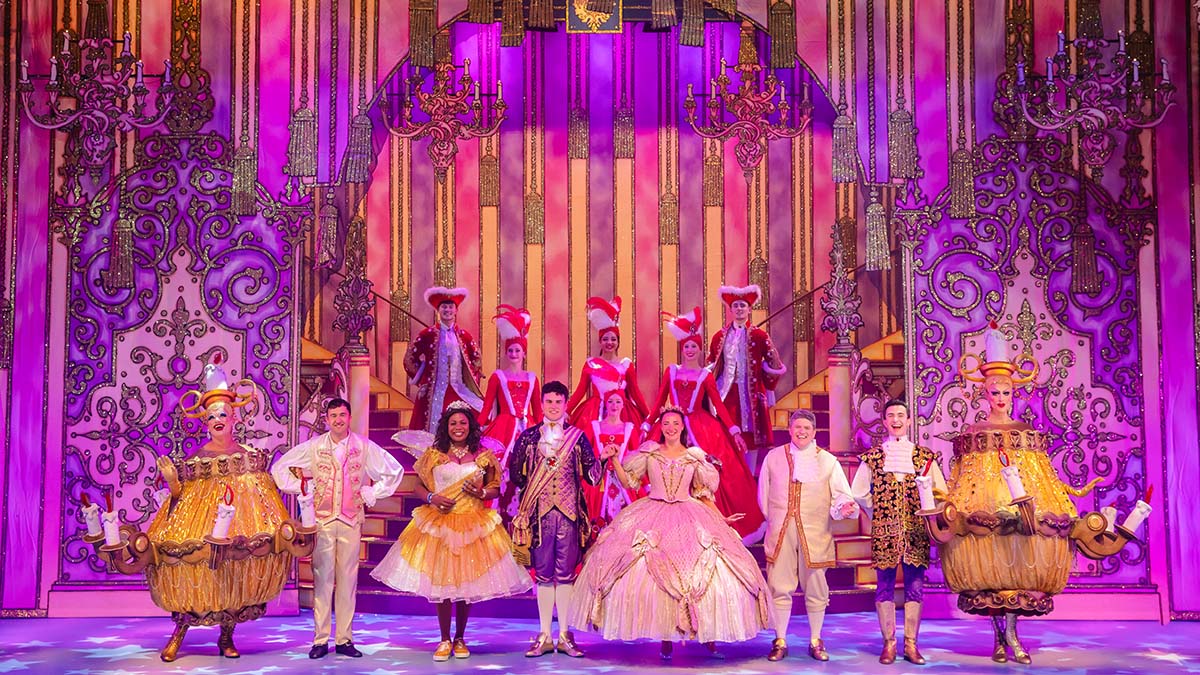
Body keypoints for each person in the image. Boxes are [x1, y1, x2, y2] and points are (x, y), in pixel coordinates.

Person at [939, 322, 1105, 665]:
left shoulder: (1024, 432)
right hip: (983, 501)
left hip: (1020, 505)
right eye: (994, 393)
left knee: (1016, 566)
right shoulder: (975, 433)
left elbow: (1037, 473)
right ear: (985, 395)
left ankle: (1012, 636)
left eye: (1006, 393)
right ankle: (999, 639)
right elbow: (964, 476)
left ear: (1013, 394)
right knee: (990, 567)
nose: (1000, 399)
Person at [566, 406, 771, 661]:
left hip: (690, 516)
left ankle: (708, 635)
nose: (671, 428)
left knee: (697, 575)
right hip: (652, 513)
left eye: (675, 423)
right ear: (661, 427)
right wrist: (615, 460)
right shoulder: (650, 453)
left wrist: (721, 519)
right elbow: (629, 482)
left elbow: (704, 495)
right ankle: (666, 639)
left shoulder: (694, 457)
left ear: (682, 427)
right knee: (659, 578)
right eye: (666, 423)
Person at [148, 354, 302, 662]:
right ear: (205, 423)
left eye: (223, 414)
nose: (217, 420)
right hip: (198, 525)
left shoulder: (248, 456)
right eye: (211, 416)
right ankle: (179, 632)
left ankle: (226, 636)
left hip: (240, 523)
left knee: (233, 574)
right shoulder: (196, 460)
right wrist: (172, 481)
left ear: (234, 418)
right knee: (193, 571)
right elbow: (178, 502)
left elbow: (263, 494)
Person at [371, 403, 533, 661]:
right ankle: (444, 638)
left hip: (472, 525)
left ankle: (460, 638)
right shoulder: (434, 454)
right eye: (453, 423)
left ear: (470, 426)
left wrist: (481, 492)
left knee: (467, 583)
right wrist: (432, 497)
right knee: (442, 584)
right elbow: (418, 486)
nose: (458, 427)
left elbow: (495, 488)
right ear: (446, 427)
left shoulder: (483, 456)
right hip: (441, 524)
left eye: (463, 423)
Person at [271, 398, 404, 659]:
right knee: (322, 579)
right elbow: (280, 467)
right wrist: (303, 487)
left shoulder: (363, 446)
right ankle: (320, 640)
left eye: (342, 415)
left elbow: (394, 471)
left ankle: (344, 639)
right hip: (322, 521)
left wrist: (372, 491)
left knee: (347, 581)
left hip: (350, 520)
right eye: (333, 416)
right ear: (327, 420)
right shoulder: (314, 446)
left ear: (349, 417)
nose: (338, 420)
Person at [645, 307, 765, 541]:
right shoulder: (671, 371)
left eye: (694, 346)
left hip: (702, 427)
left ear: (700, 350)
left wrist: (733, 431)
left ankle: (711, 525)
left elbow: (718, 405)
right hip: (671, 426)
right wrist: (647, 424)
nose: (690, 350)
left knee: (711, 473)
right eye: (687, 346)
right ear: (682, 349)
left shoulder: (705, 376)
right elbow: (659, 400)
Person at [507, 381, 605, 658]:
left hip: (569, 516)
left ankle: (564, 635)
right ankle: (543, 635)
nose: (553, 406)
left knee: (565, 576)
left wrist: (605, 459)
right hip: (539, 518)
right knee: (543, 576)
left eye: (558, 402)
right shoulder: (528, 437)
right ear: (541, 404)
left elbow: (592, 477)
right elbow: (516, 474)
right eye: (548, 401)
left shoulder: (577, 437)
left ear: (565, 404)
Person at [757, 409, 859, 662]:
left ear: (814, 432)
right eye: (797, 427)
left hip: (815, 532)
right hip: (781, 531)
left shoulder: (827, 461)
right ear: (790, 430)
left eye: (806, 428)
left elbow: (841, 494)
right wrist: (776, 519)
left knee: (816, 586)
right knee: (779, 586)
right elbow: (763, 495)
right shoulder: (774, 457)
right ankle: (780, 639)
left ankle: (815, 639)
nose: (801, 432)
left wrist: (844, 508)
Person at [851, 399, 947, 665]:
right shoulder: (873, 457)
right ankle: (889, 643)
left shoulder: (924, 457)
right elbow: (859, 492)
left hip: (916, 531)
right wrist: (878, 511)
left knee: (915, 586)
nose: (896, 419)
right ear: (884, 421)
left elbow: (941, 492)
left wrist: (931, 512)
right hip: (885, 533)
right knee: (884, 586)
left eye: (900, 415)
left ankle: (912, 644)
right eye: (891, 415)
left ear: (908, 420)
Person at [477, 305, 541, 523]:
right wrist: (476, 428)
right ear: (506, 353)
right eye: (510, 351)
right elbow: (487, 407)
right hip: (503, 429)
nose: (514, 354)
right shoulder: (498, 376)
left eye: (517, 350)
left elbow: (537, 411)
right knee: (499, 472)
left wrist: (546, 434)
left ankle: (525, 518)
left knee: (528, 471)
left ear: (524, 353)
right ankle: (496, 516)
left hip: (528, 429)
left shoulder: (532, 378)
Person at [707, 285, 787, 452]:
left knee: (750, 435)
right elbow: (712, 363)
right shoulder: (719, 336)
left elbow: (775, 364)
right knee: (726, 434)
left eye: (742, 305)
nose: (739, 309)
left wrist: (768, 387)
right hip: (726, 393)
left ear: (749, 309)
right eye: (735, 305)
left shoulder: (759, 335)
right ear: (730, 309)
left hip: (751, 393)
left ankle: (749, 469)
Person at [403, 286, 484, 433]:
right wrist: (423, 380)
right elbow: (409, 359)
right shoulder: (427, 334)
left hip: (459, 388)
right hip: (435, 390)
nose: (447, 310)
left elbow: (476, 358)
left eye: (451, 307)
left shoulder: (464, 335)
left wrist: (470, 376)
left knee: (481, 413)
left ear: (456, 310)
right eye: (444, 307)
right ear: (438, 310)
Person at [565, 296, 650, 427]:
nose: (609, 342)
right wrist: (566, 411)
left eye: (613, 339)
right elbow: (580, 391)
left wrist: (649, 415)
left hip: (621, 411)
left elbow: (635, 392)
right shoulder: (591, 364)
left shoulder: (626, 365)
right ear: (600, 341)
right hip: (594, 412)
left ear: (618, 342)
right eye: (605, 339)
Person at [581, 389, 640, 527]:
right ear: (605, 404)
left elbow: (636, 457)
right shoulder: (594, 427)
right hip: (600, 482)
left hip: (622, 479)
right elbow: (584, 454)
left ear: (623, 405)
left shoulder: (630, 428)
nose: (614, 405)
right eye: (610, 401)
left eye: (618, 402)